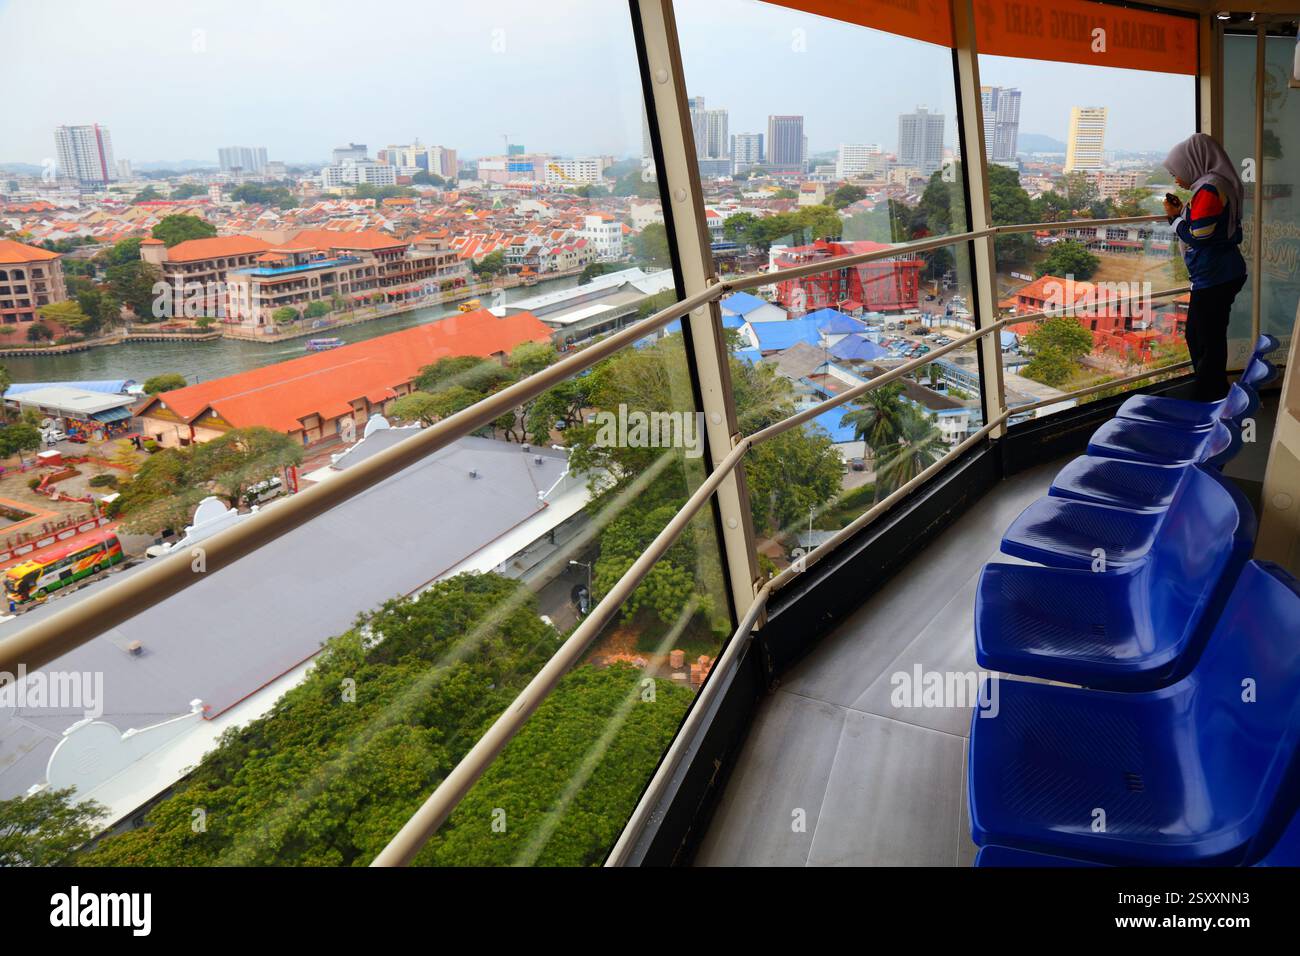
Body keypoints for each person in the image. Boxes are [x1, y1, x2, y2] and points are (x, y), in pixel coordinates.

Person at [1162, 133, 1248, 401]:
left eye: (1177, 171)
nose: (1176, 178)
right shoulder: (1214, 184)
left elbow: (1200, 234)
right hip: (1221, 272)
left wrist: (1175, 219)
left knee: (1203, 338)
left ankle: (1210, 394)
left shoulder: (1210, 188)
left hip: (1216, 276)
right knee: (1207, 334)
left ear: (1193, 163)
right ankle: (1214, 389)